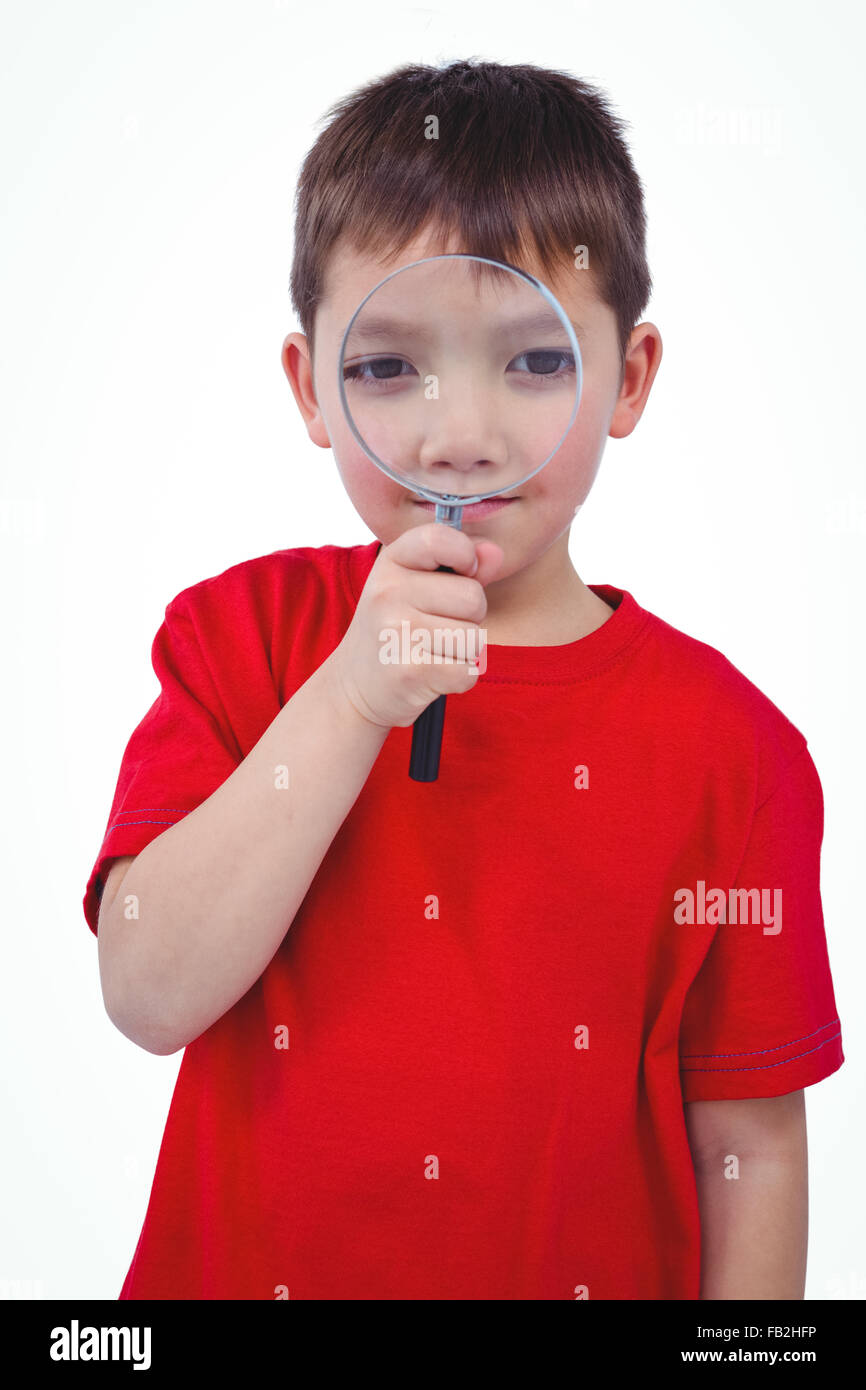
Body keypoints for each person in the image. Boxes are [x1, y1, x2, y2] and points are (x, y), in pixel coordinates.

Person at [83, 59, 844, 1300]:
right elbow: (145, 987)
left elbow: (746, 1140)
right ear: (308, 390)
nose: (459, 434)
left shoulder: (732, 748)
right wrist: (344, 699)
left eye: (535, 362)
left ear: (632, 380)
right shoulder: (238, 639)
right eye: (387, 368)